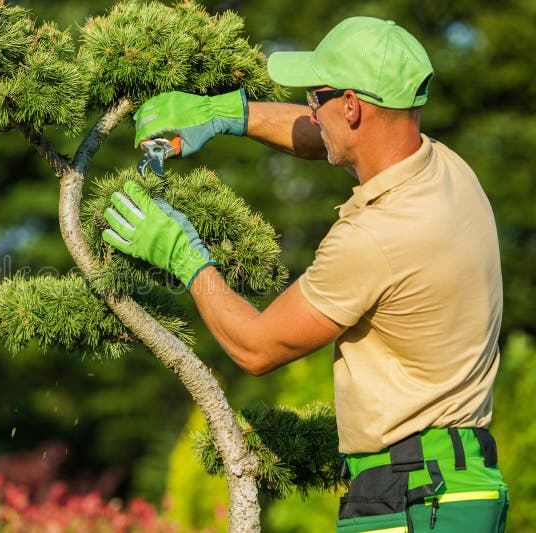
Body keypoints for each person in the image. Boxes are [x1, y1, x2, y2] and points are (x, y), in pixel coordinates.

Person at [102, 16, 508, 533]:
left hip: (412, 498)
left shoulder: (376, 237)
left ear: (353, 106)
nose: (309, 113)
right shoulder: (448, 170)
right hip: (460, 485)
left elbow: (256, 348)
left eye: (315, 98)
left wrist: (185, 255)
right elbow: (335, 141)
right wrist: (225, 113)